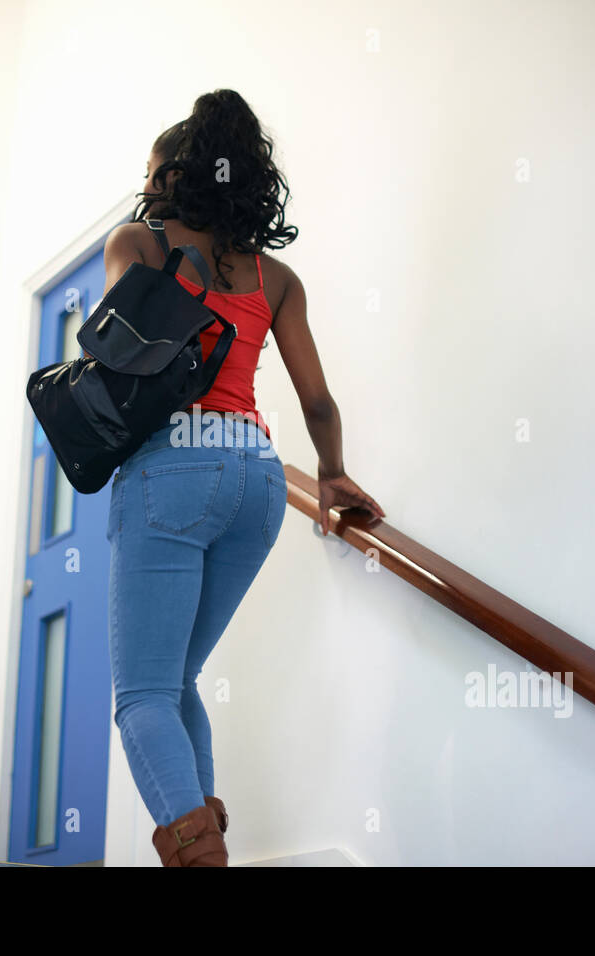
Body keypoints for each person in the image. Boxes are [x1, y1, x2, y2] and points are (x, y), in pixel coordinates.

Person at [99, 90, 385, 866]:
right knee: (179, 679)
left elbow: (116, 350)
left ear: (174, 176)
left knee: (141, 697)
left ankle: (199, 859)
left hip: (172, 468)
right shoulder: (276, 278)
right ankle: (209, 847)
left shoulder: (141, 240)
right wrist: (331, 476)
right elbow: (317, 400)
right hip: (258, 479)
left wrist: (156, 258)